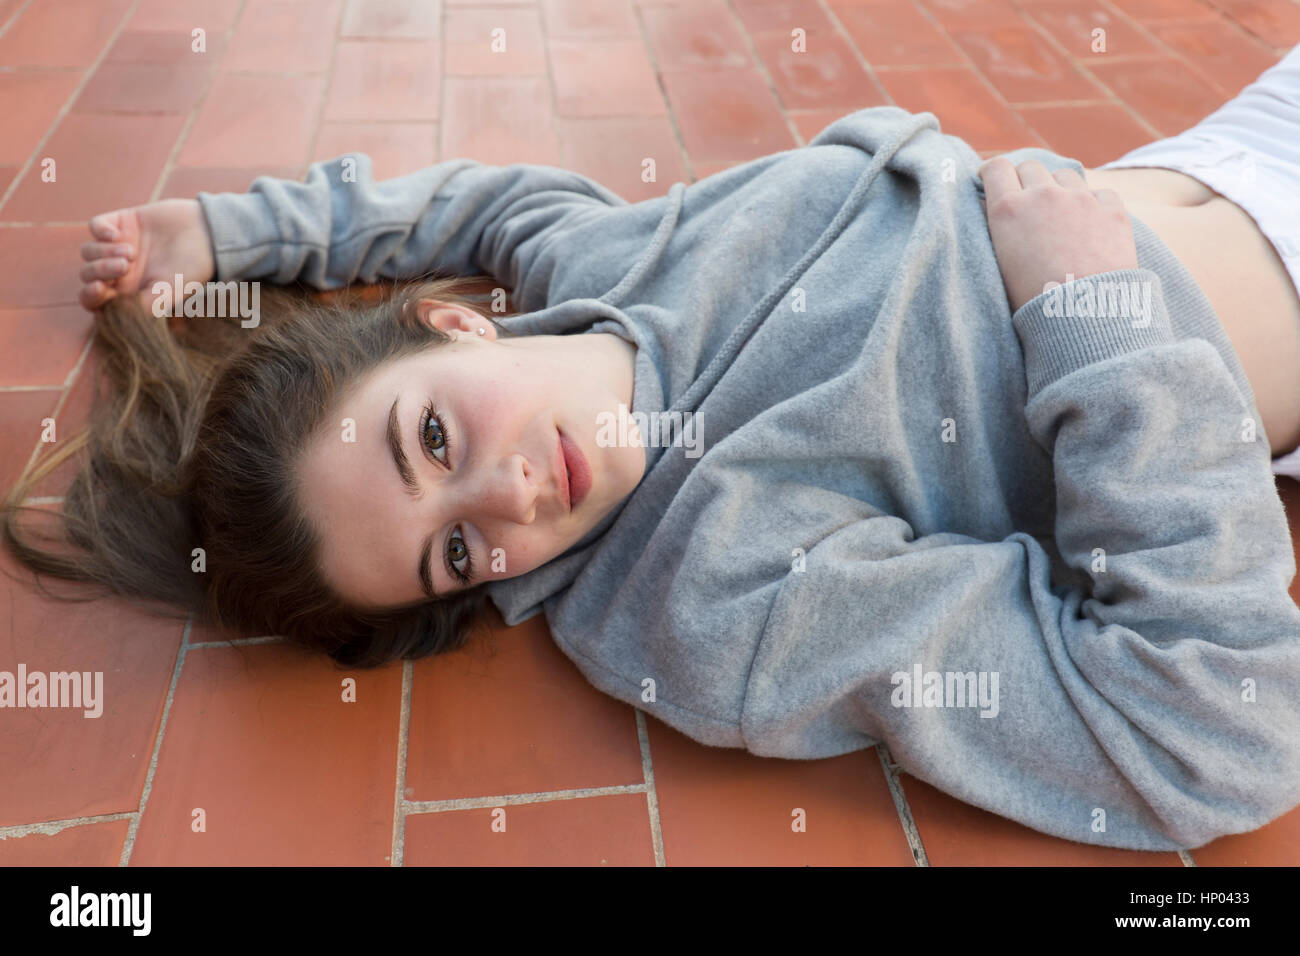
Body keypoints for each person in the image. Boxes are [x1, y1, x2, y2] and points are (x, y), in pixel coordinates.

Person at [6, 47, 1300, 853]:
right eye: (455, 553)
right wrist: (1091, 318)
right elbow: (1218, 735)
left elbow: (460, 201)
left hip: (1229, 139)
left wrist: (235, 240)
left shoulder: (586, 259)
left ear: (457, 325)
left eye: (436, 434)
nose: (505, 499)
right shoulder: (722, 599)